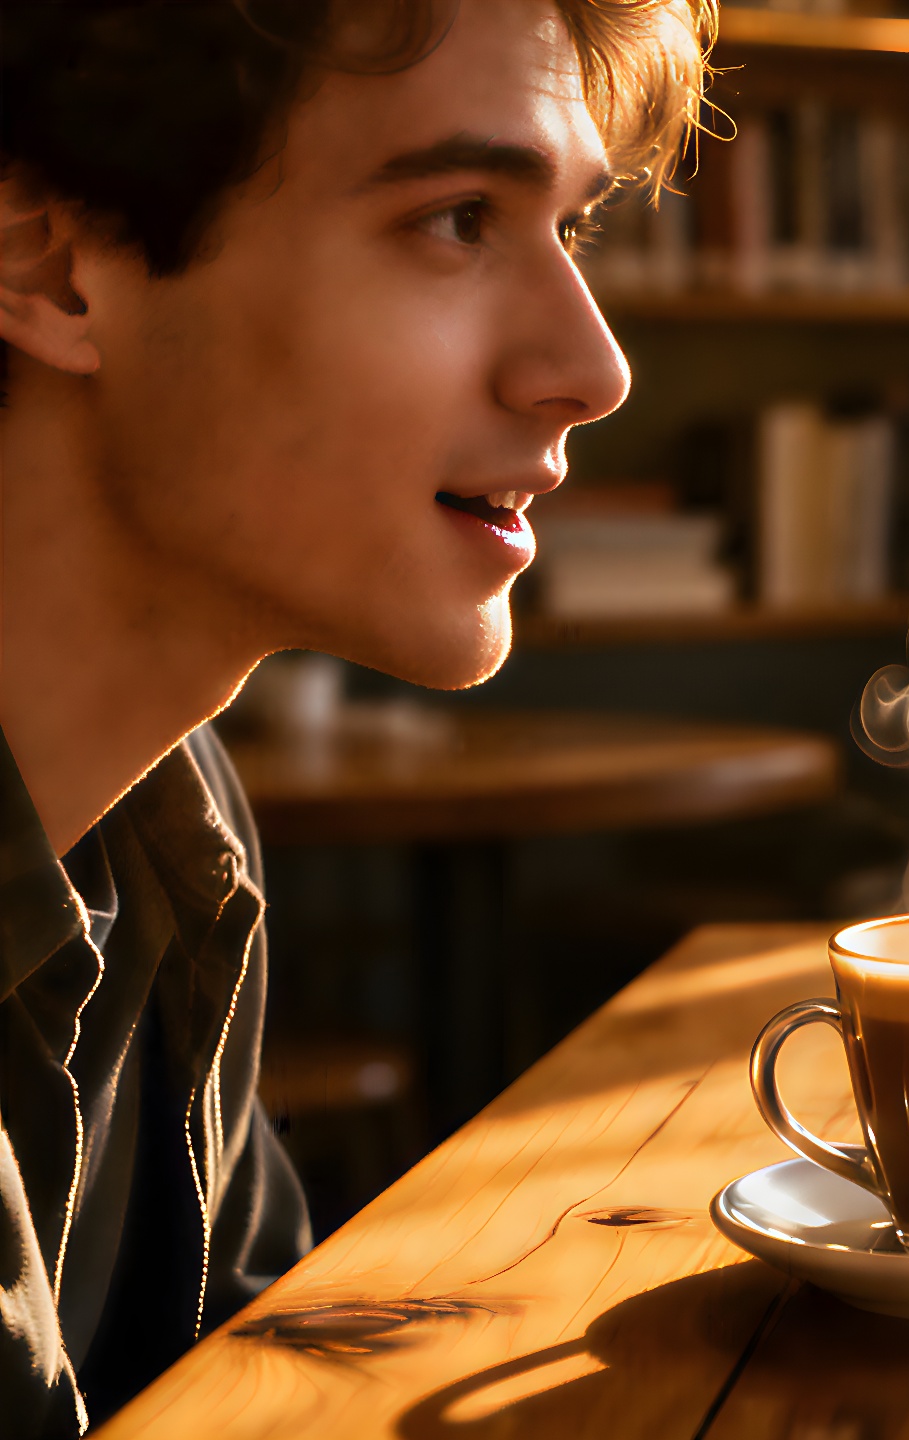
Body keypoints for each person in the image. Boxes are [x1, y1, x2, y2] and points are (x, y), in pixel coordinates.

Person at [0, 0, 708, 1428]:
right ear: (59, 269)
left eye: (569, 229)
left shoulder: (175, 837)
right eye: (457, 218)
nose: (593, 370)